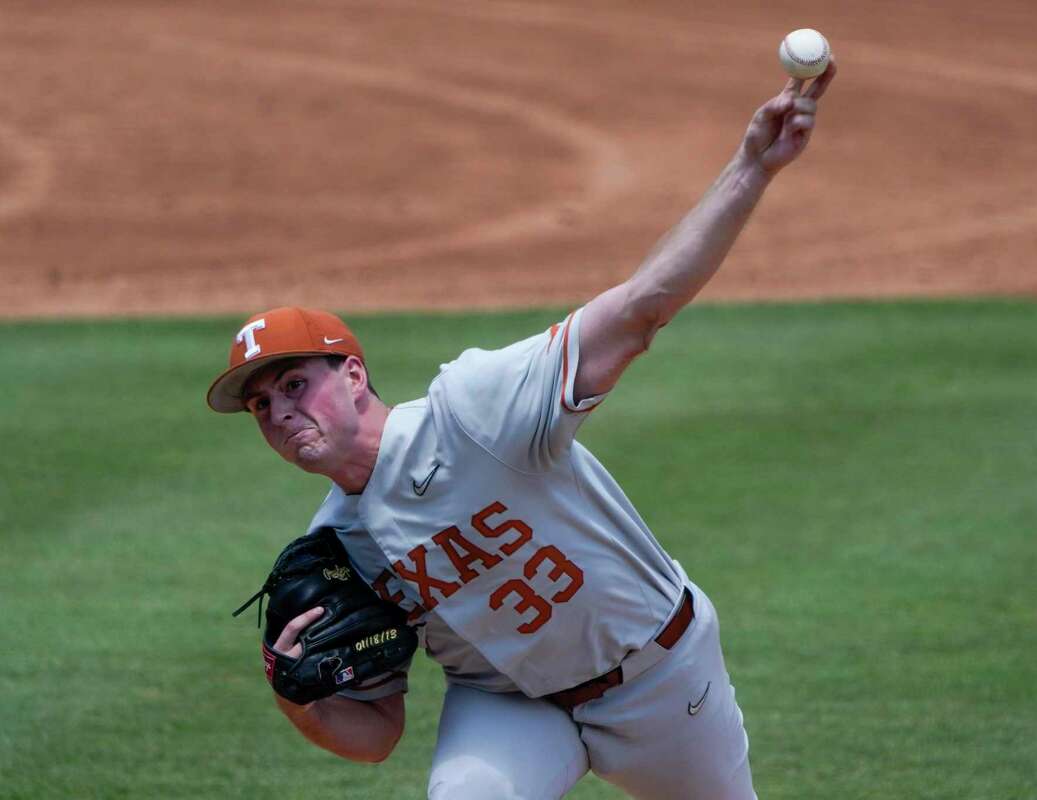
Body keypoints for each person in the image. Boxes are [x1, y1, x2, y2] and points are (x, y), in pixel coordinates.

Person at [207, 62, 836, 800]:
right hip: (508, 706)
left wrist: (749, 170)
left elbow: (637, 313)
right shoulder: (338, 544)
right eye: (260, 406)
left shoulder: (473, 411)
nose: (279, 411)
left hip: (660, 678)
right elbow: (377, 735)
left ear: (351, 377)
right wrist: (295, 696)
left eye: (293, 385)